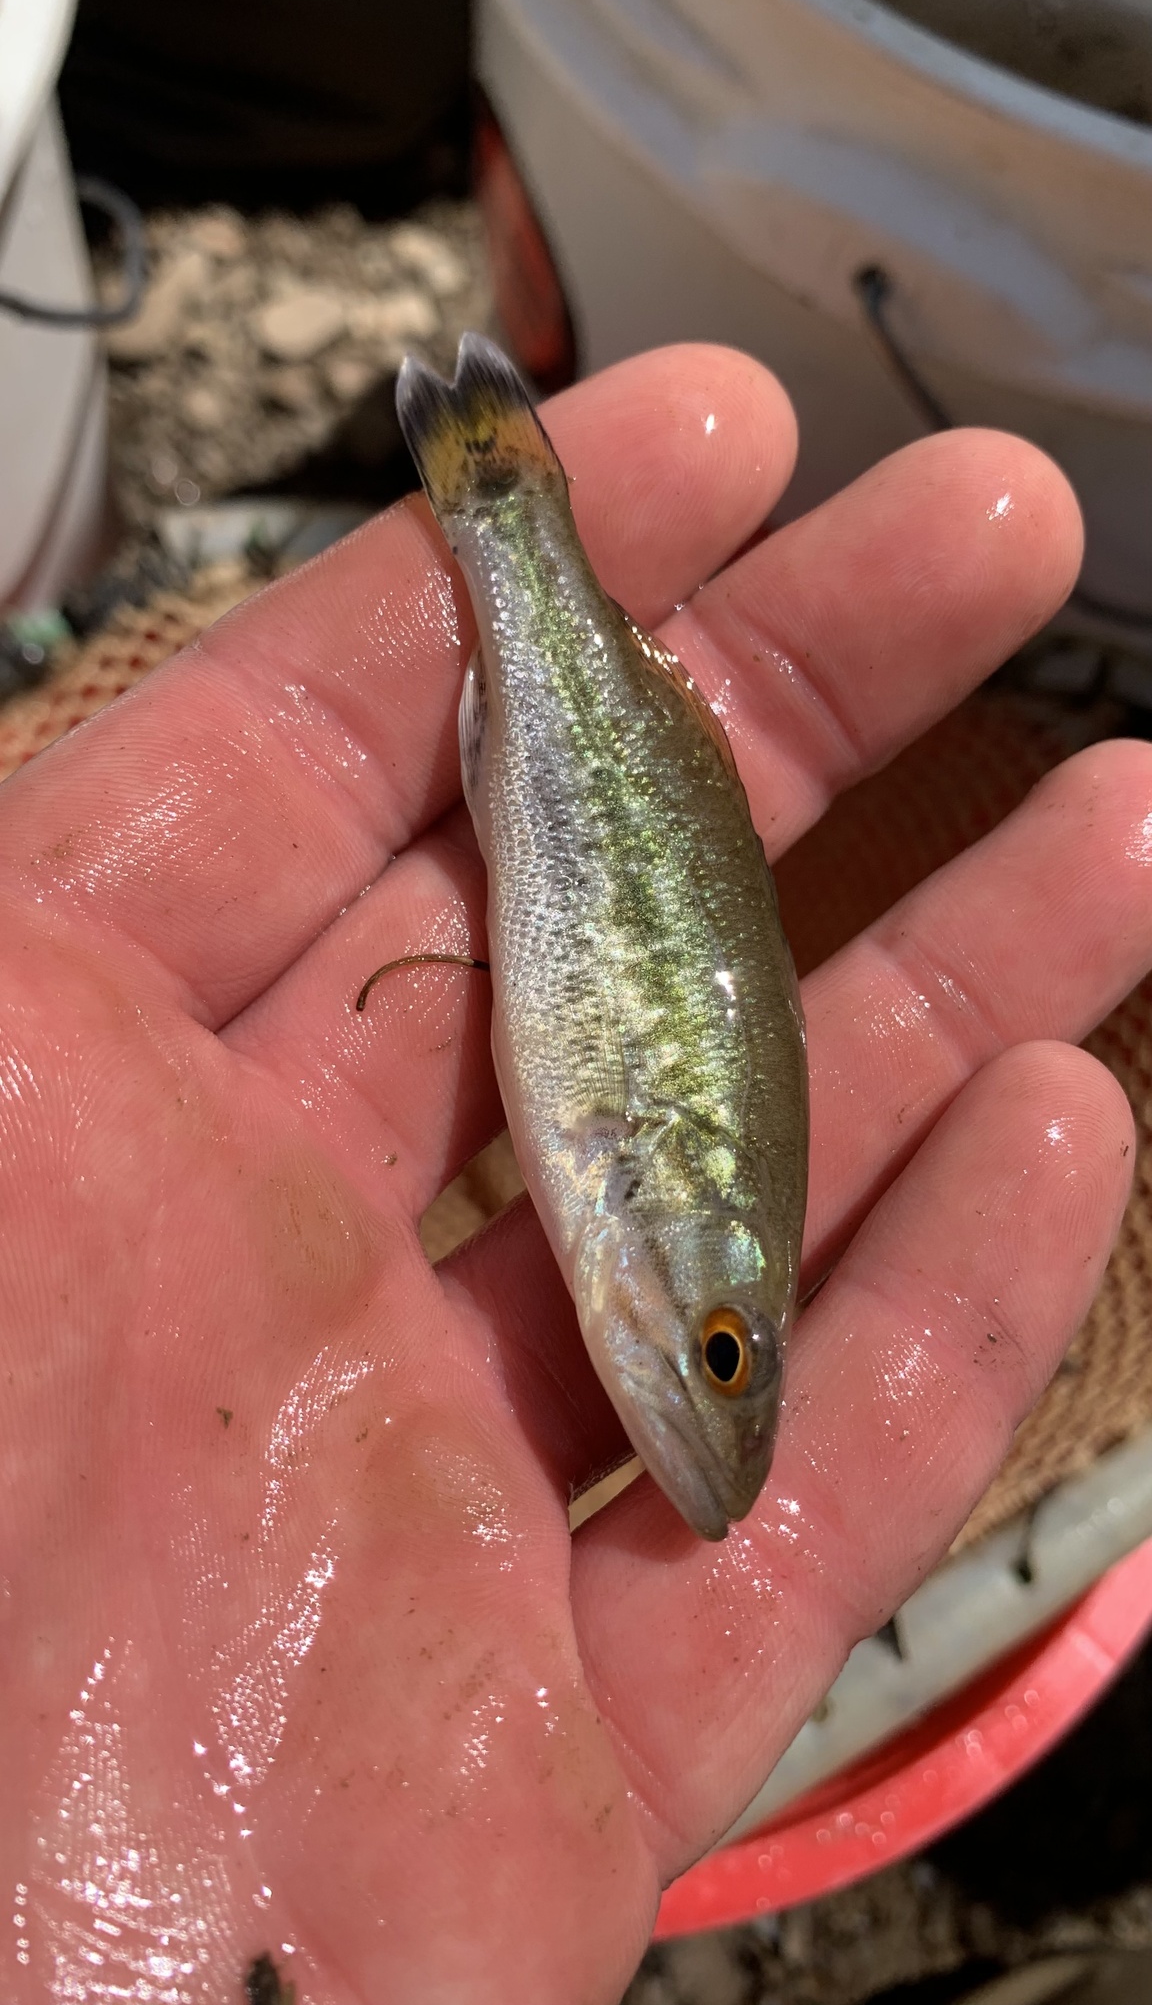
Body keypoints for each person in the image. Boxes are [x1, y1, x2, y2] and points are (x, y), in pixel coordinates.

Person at [0, 344, 1145, 2005]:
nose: (701, 1381)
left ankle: (500, 501)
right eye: (723, 1353)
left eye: (728, 1349)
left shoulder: (646, 1202)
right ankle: (505, 514)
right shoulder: (659, 1164)